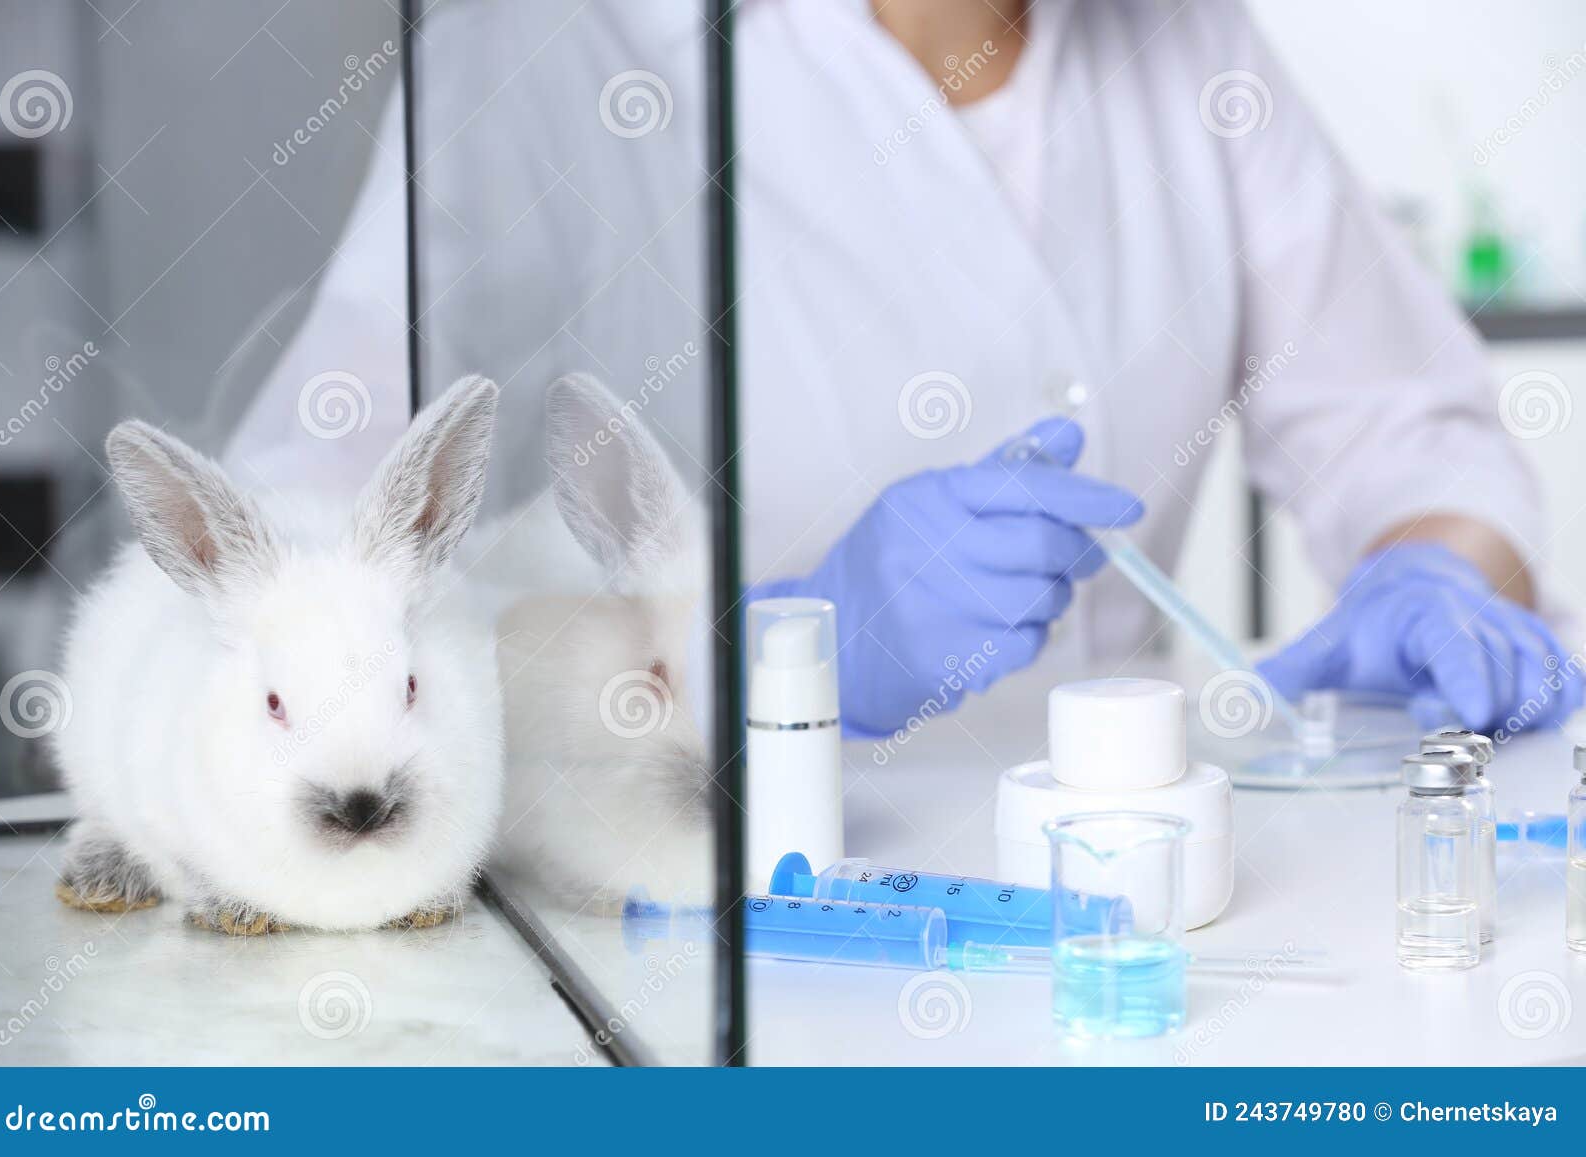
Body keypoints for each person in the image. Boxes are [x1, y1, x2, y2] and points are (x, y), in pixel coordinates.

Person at [232, 0, 1580, 741]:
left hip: (1135, 925)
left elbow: (1409, 430)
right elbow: (295, 571)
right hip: (699, 953)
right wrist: (780, 644)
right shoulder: (557, 47)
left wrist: (1437, 573)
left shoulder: (1186, 42)